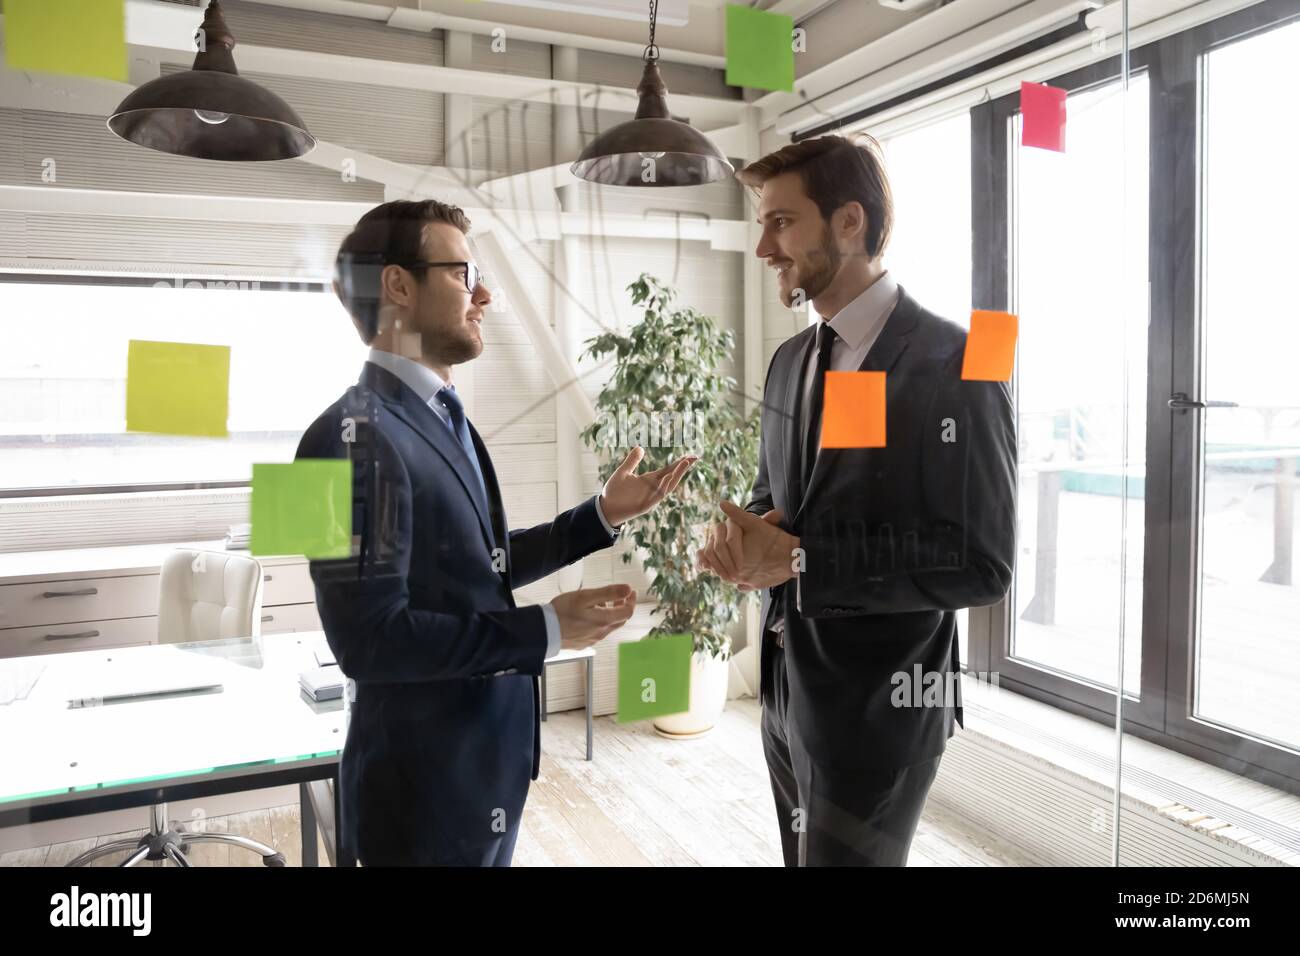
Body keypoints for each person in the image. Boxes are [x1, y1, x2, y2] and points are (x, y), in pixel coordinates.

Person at [298, 199, 696, 866]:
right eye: (463, 272)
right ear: (398, 286)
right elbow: (368, 644)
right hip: (421, 792)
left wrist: (599, 515)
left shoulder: (447, 416)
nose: (485, 294)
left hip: (484, 765)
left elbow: (479, 563)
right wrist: (544, 630)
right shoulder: (338, 441)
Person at [697, 134, 1017, 866]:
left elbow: (981, 565)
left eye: (780, 222)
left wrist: (804, 559)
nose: (762, 247)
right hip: (786, 700)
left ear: (849, 223)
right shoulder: (790, 360)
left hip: (882, 711)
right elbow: (782, 504)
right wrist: (746, 547)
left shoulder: (962, 362)